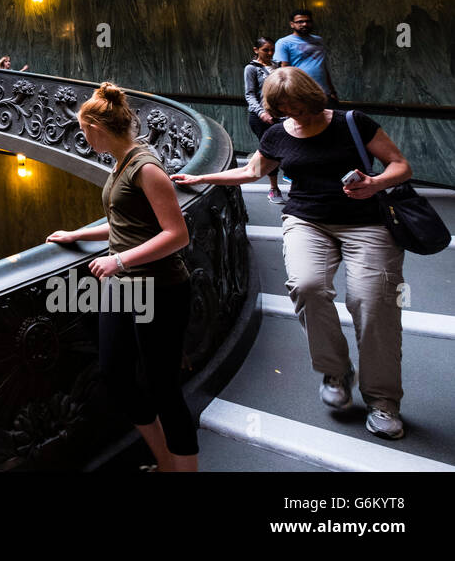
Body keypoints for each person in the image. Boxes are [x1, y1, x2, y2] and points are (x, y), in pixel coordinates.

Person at [172, 67, 412, 441]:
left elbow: (400, 165)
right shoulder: (276, 134)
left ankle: (383, 401)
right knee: (307, 286)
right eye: (285, 108)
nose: (295, 113)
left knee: (372, 301)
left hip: (366, 222)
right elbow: (252, 171)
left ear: (313, 96)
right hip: (306, 221)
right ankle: (336, 371)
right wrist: (202, 178)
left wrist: (375, 183)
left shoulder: (352, 122)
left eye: (299, 105)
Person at [46, 83, 196, 471]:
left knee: (163, 389)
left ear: (96, 127)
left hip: (158, 289)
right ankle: (164, 463)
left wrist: (119, 261)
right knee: (116, 374)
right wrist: (79, 234)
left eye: (83, 131)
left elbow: (177, 234)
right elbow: (123, 222)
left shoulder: (145, 167)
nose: (82, 138)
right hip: (124, 290)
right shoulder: (121, 163)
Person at [244, 36, 284, 203]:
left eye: (272, 50)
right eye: (266, 50)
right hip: (261, 117)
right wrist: (262, 113)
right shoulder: (251, 68)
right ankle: (274, 188)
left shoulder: (277, 66)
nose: (270, 53)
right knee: (270, 152)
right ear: (256, 50)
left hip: (280, 115)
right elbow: (249, 94)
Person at [274, 9, 338, 101]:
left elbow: (322, 67)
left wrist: (332, 91)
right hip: (300, 93)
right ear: (292, 24)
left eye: (308, 21)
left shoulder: (319, 40)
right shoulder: (284, 42)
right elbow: (283, 71)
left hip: (324, 93)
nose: (305, 24)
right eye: (300, 22)